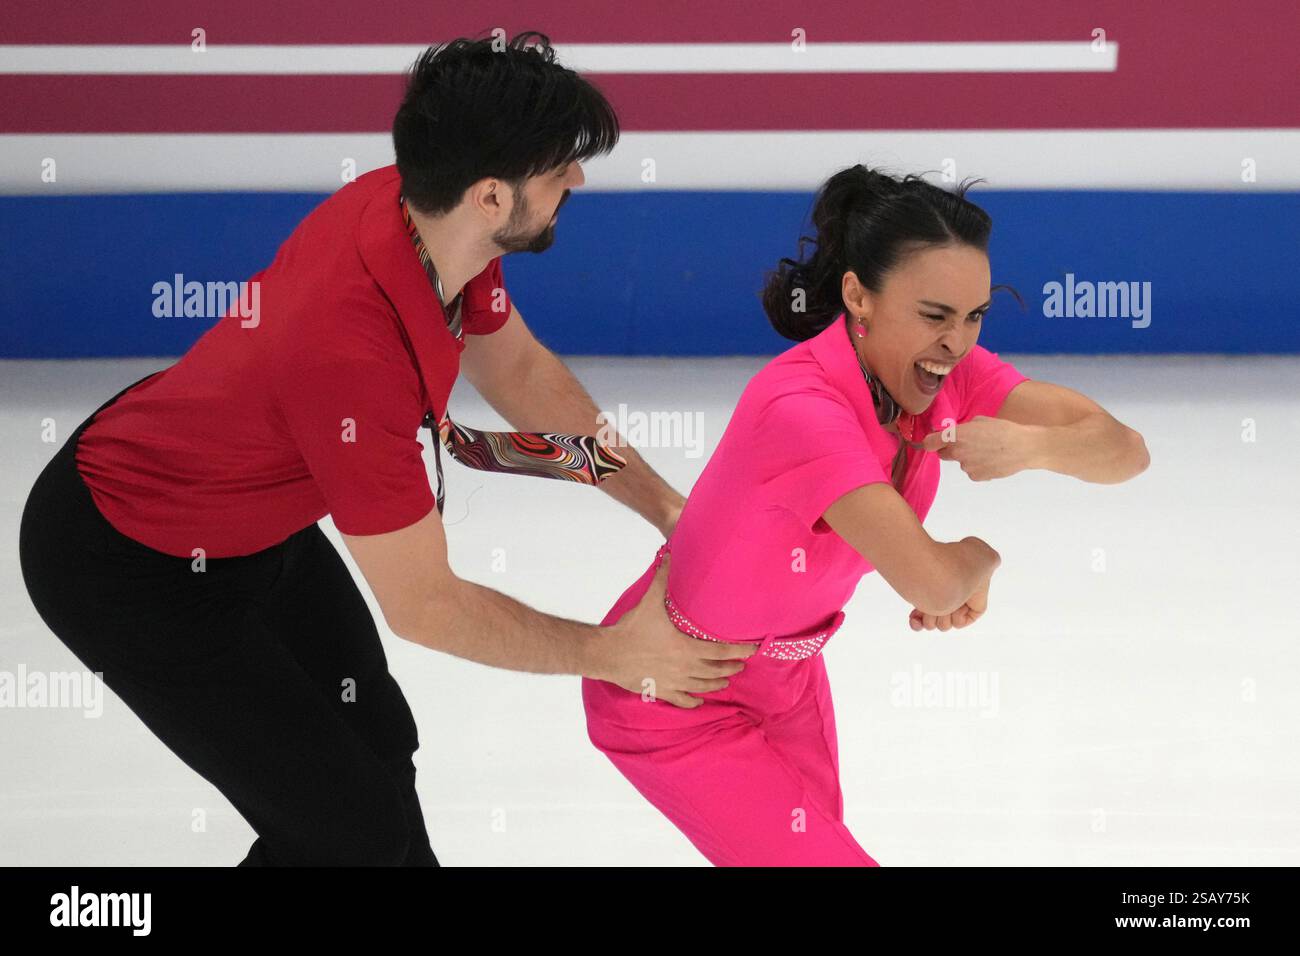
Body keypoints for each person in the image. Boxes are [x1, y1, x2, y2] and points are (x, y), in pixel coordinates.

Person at [17, 32, 752, 867]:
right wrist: (613, 654)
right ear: (488, 194)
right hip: (125, 563)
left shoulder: (423, 222)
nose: (576, 181)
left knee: (378, 747)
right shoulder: (346, 356)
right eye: (559, 169)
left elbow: (517, 370)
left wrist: (666, 508)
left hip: (251, 513)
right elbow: (427, 607)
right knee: (344, 832)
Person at [581, 164, 1151, 866]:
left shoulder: (945, 371)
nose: (958, 342)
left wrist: (1029, 446)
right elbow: (936, 584)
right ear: (859, 295)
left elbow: (1126, 451)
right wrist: (979, 555)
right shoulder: (803, 410)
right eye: (935, 315)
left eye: (975, 316)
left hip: (788, 686)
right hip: (675, 696)